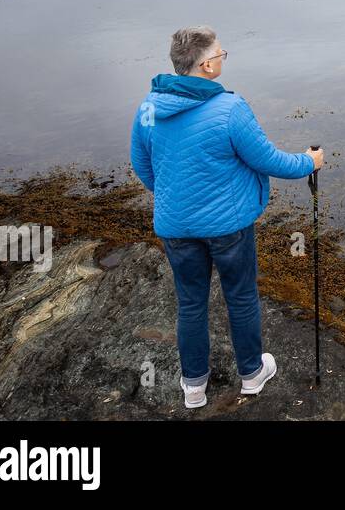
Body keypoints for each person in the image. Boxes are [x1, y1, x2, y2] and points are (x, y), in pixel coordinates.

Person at [130, 26, 324, 410]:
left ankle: (194, 388)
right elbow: (267, 160)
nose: (223, 58)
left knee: (190, 303)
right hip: (228, 228)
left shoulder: (149, 108)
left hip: (176, 227)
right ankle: (252, 374)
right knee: (240, 296)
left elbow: (144, 166)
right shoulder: (230, 108)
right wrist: (309, 162)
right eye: (220, 54)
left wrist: (175, 199)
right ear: (205, 64)